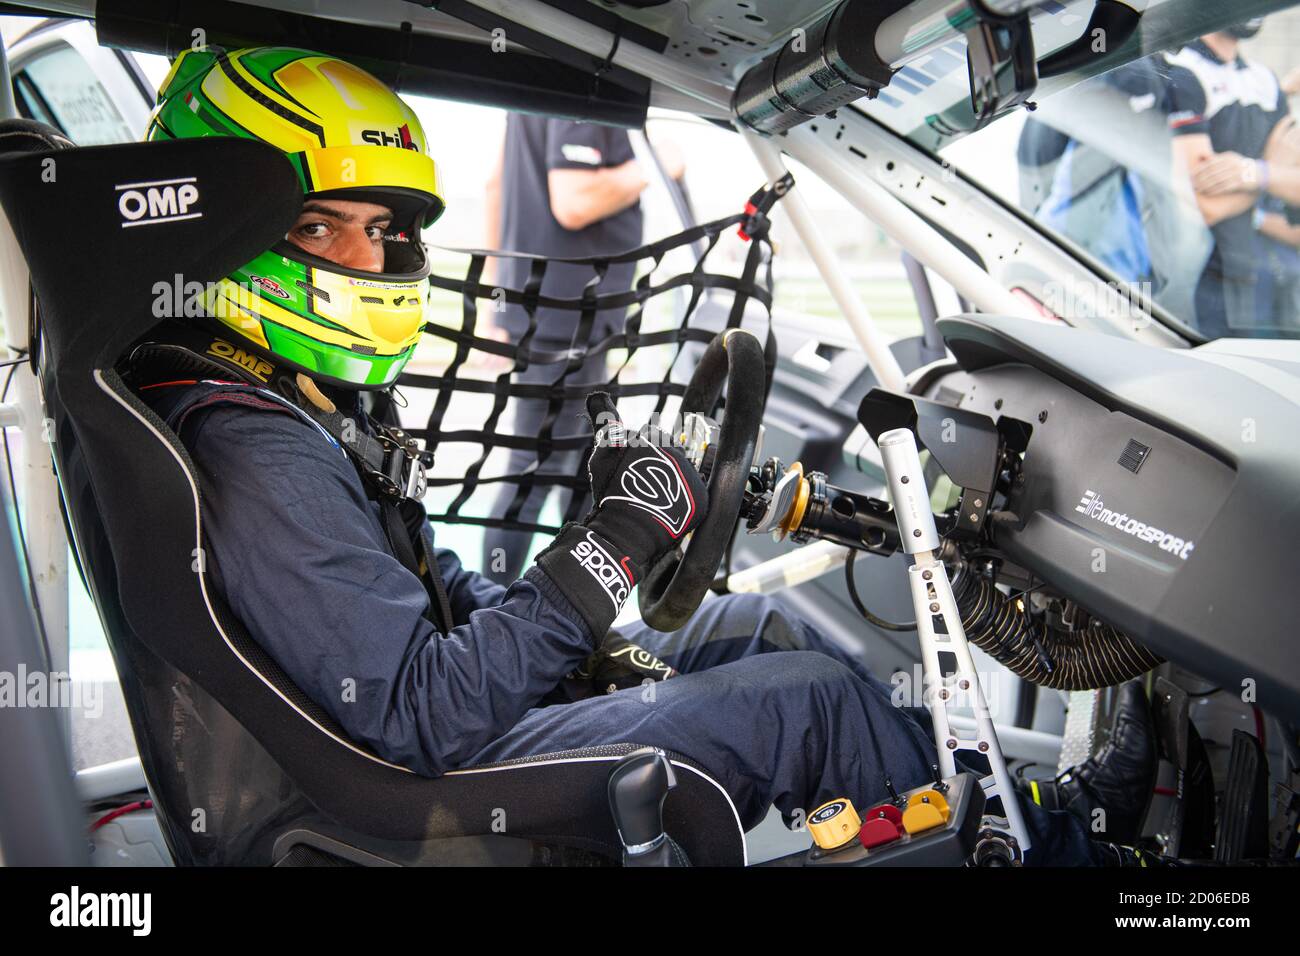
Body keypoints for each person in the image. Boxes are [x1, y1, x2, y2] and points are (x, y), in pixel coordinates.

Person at [131, 45, 1154, 865]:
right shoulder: (256, 446)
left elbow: (434, 602)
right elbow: (417, 714)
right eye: (321, 226)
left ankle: (1024, 817)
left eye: (382, 231)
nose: (366, 261)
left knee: (750, 624)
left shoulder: (280, 398)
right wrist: (609, 547)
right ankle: (1071, 858)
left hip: (403, 748)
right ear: (226, 227)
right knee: (810, 704)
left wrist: (587, 634)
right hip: (406, 799)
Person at [479, 114, 652, 583]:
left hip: (556, 313)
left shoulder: (533, 91)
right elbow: (574, 201)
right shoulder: (585, 95)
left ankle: (562, 605)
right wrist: (653, 165)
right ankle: (490, 615)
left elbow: (496, 185)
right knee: (540, 469)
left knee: (576, 463)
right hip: (567, 316)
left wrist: (501, 303)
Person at [1166, 18, 1300, 336]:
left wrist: (1250, 172)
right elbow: (1204, 206)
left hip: (1259, 278)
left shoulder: (1264, 80)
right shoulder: (1181, 73)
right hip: (1199, 279)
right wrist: (1269, 175)